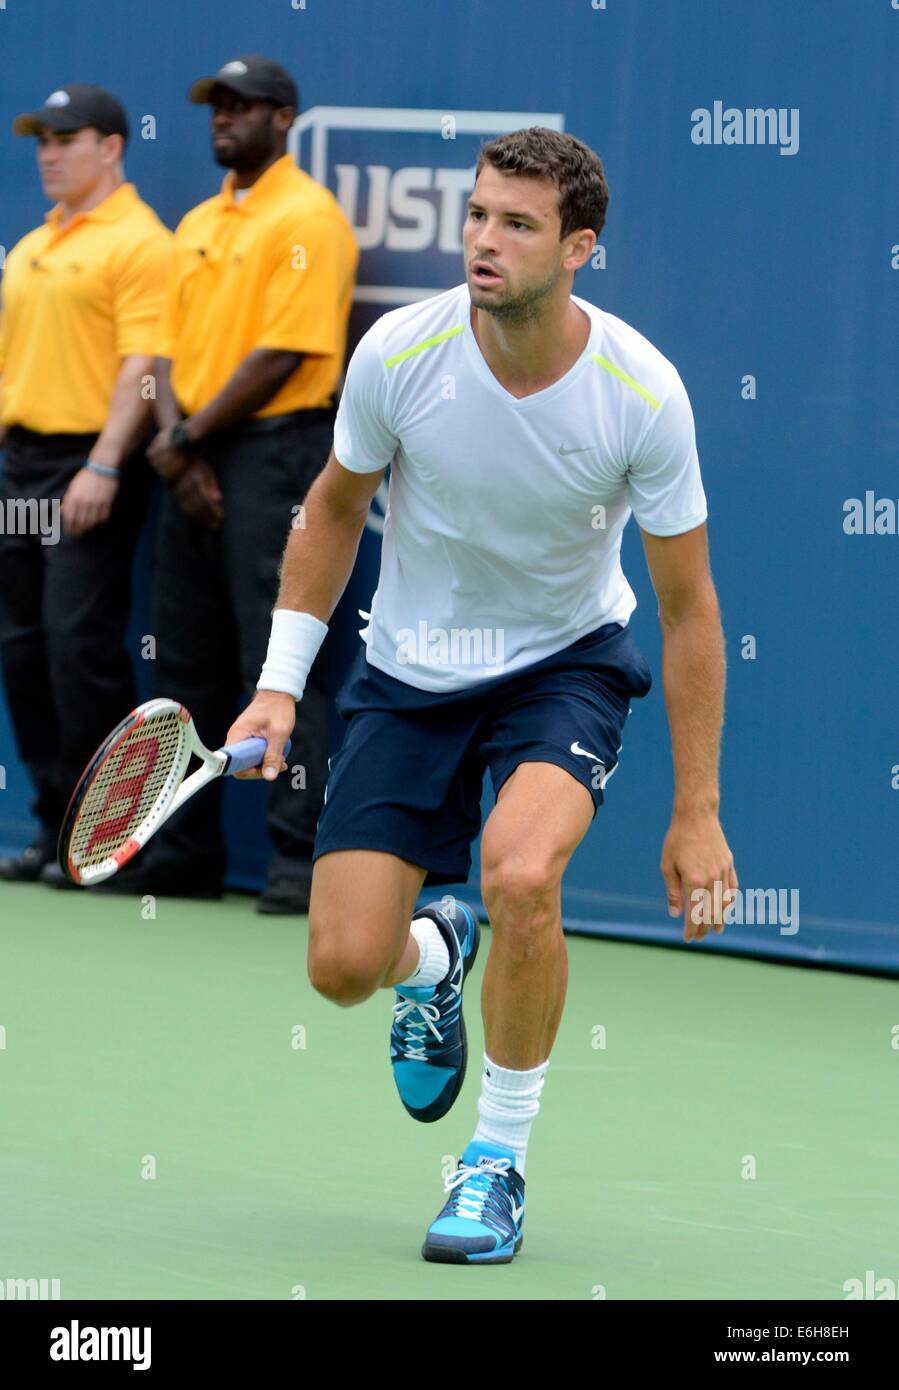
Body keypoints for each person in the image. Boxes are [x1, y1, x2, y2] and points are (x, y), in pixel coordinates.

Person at [226, 127, 738, 1263]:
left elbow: (690, 607)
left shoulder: (639, 392)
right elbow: (332, 507)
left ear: (578, 248)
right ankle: (434, 953)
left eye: (516, 223)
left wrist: (694, 809)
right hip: (407, 671)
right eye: (475, 215)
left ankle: (494, 1161)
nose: (482, 241)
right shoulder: (397, 354)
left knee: (520, 871)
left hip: (564, 662)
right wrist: (275, 688)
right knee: (343, 967)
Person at [104, 56, 358, 911]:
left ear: (283, 118)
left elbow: (286, 350)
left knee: (274, 653)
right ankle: (179, 854)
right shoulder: (198, 221)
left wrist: (183, 440)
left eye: (243, 106)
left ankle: (297, 862)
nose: (224, 118)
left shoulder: (310, 219)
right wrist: (177, 449)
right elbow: (170, 349)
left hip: (275, 451)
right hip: (193, 453)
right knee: (184, 658)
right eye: (216, 106)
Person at [0, 85, 171, 887]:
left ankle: (109, 838)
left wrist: (104, 463)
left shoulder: (139, 242)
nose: (49, 151)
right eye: (43, 138)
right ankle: (52, 831)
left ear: (112, 147)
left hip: (90, 463)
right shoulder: (34, 246)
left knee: (79, 647)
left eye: (67, 138)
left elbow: (143, 366)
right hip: (23, 462)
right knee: (23, 645)